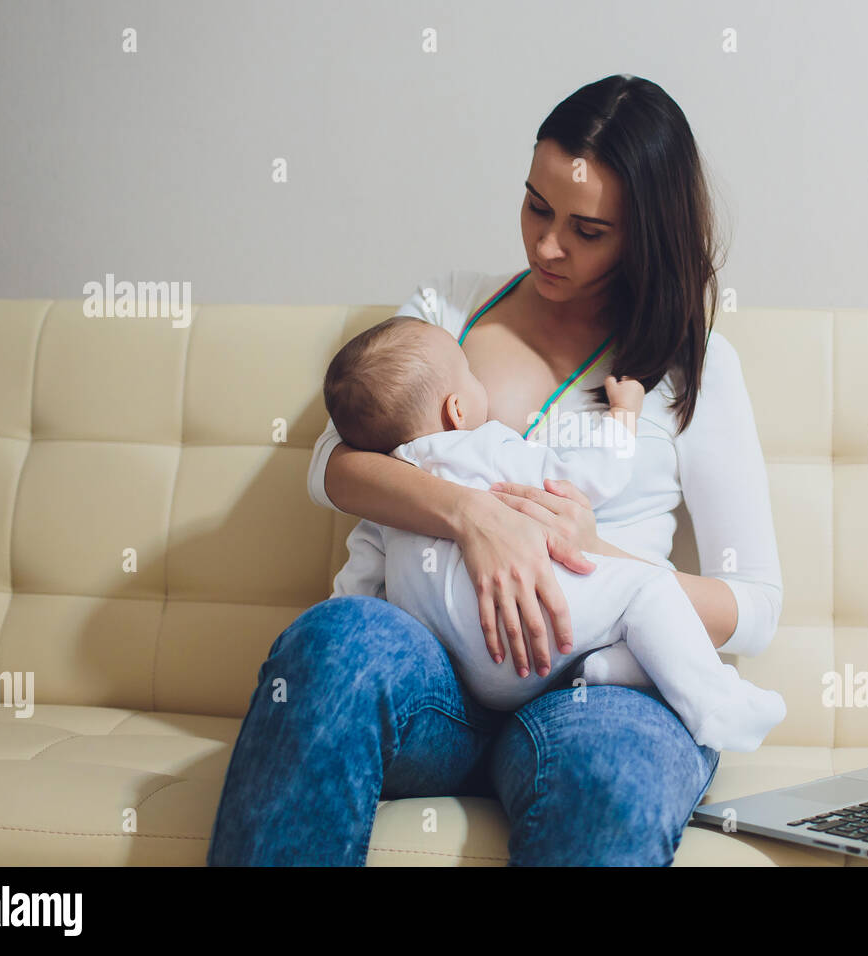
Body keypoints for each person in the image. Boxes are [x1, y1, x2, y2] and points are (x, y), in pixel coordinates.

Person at [207, 74, 783, 866]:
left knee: (614, 775)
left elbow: (755, 604)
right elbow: (335, 466)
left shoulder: (697, 369)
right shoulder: (449, 309)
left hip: (596, 688)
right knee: (333, 649)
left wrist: (593, 555)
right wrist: (471, 518)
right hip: (430, 669)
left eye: (588, 230)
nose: (547, 246)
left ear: (645, 235)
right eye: (536, 207)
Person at [316, 315, 786, 750]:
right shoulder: (488, 446)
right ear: (456, 409)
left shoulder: (388, 503)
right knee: (649, 589)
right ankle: (716, 704)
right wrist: (624, 417)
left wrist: (328, 643)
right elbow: (590, 478)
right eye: (472, 377)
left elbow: (355, 588)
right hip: (537, 637)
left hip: (459, 662)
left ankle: (605, 667)